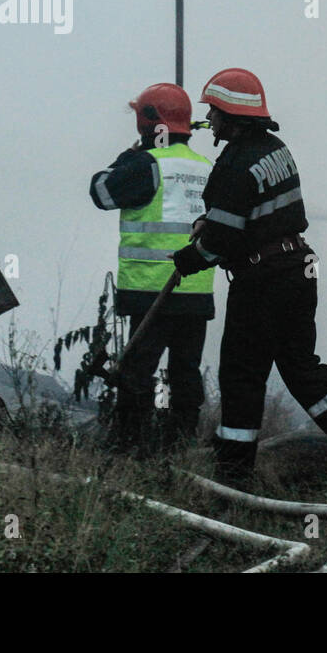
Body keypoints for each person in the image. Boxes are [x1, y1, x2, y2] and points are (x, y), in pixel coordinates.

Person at [168, 68, 327, 484]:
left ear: (232, 115)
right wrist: (209, 222)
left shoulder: (235, 164)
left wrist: (189, 258)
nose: (209, 119)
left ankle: (233, 470)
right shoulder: (275, 149)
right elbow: (255, 212)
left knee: (241, 372)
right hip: (298, 269)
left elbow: (224, 241)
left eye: (214, 112)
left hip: (262, 278)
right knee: (300, 364)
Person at [89, 82, 214, 451]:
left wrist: (127, 157)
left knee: (137, 371)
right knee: (185, 372)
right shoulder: (205, 167)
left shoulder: (146, 164)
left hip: (151, 291)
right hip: (195, 291)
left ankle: (131, 446)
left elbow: (101, 192)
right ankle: (180, 444)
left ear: (148, 122)